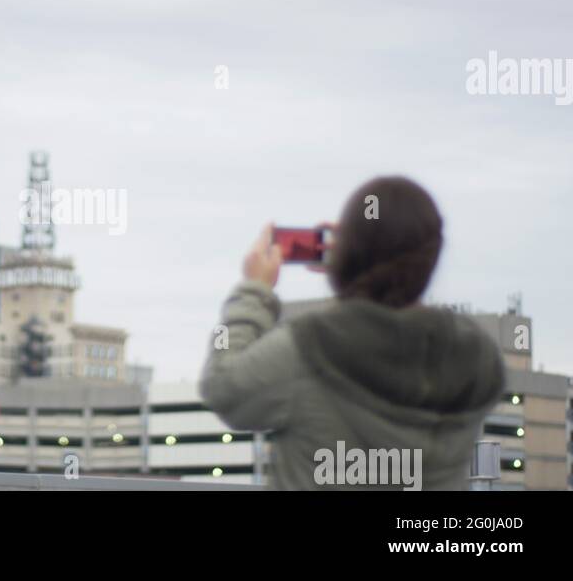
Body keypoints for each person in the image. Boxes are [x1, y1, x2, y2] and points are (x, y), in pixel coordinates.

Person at [200, 176, 505, 490]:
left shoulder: (308, 348)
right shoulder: (477, 359)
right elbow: (383, 324)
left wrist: (252, 292)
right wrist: (358, 267)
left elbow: (222, 385)